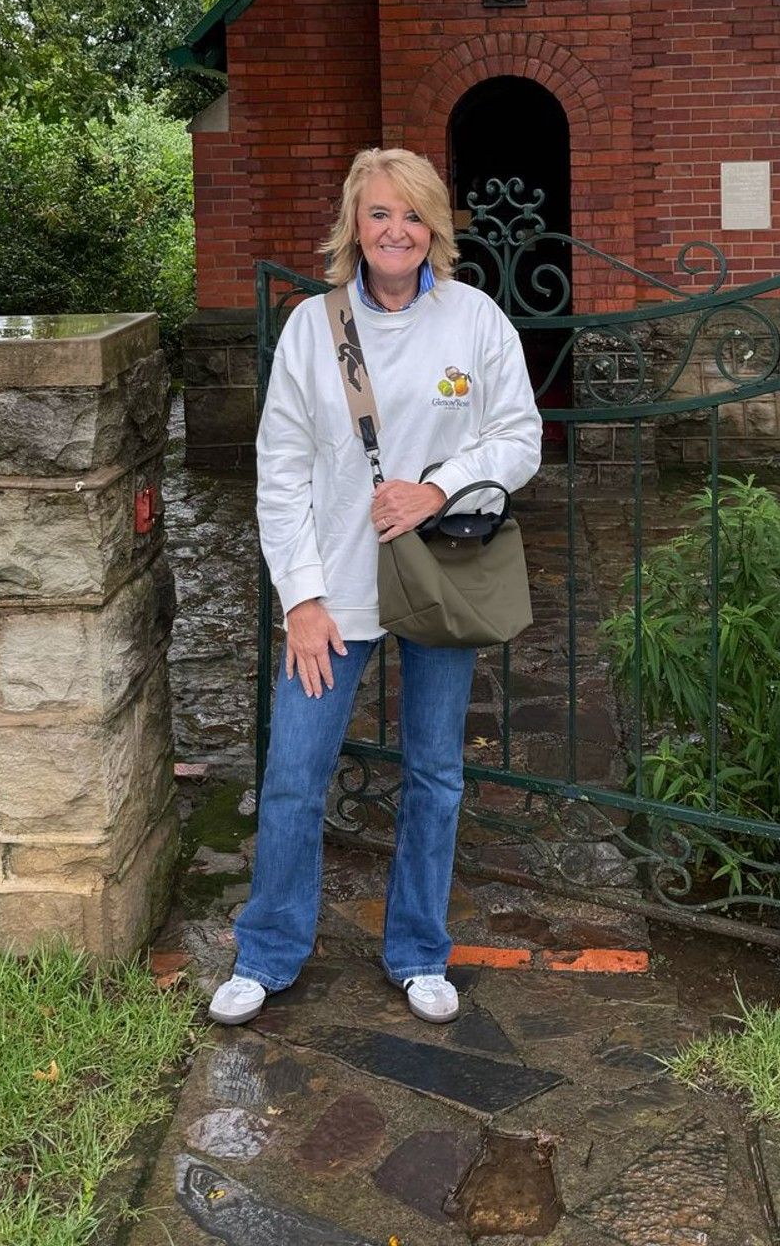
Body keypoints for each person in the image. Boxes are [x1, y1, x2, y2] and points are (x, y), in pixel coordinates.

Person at [210, 147, 542, 1027]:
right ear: (354, 227)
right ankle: (269, 951)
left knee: (434, 773)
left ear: (434, 229)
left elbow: (520, 437)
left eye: (413, 215)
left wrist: (439, 485)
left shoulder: (474, 321)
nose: (396, 231)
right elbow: (280, 473)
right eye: (380, 214)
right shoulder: (310, 330)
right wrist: (302, 601)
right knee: (292, 773)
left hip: (438, 580)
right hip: (334, 592)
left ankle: (419, 951)